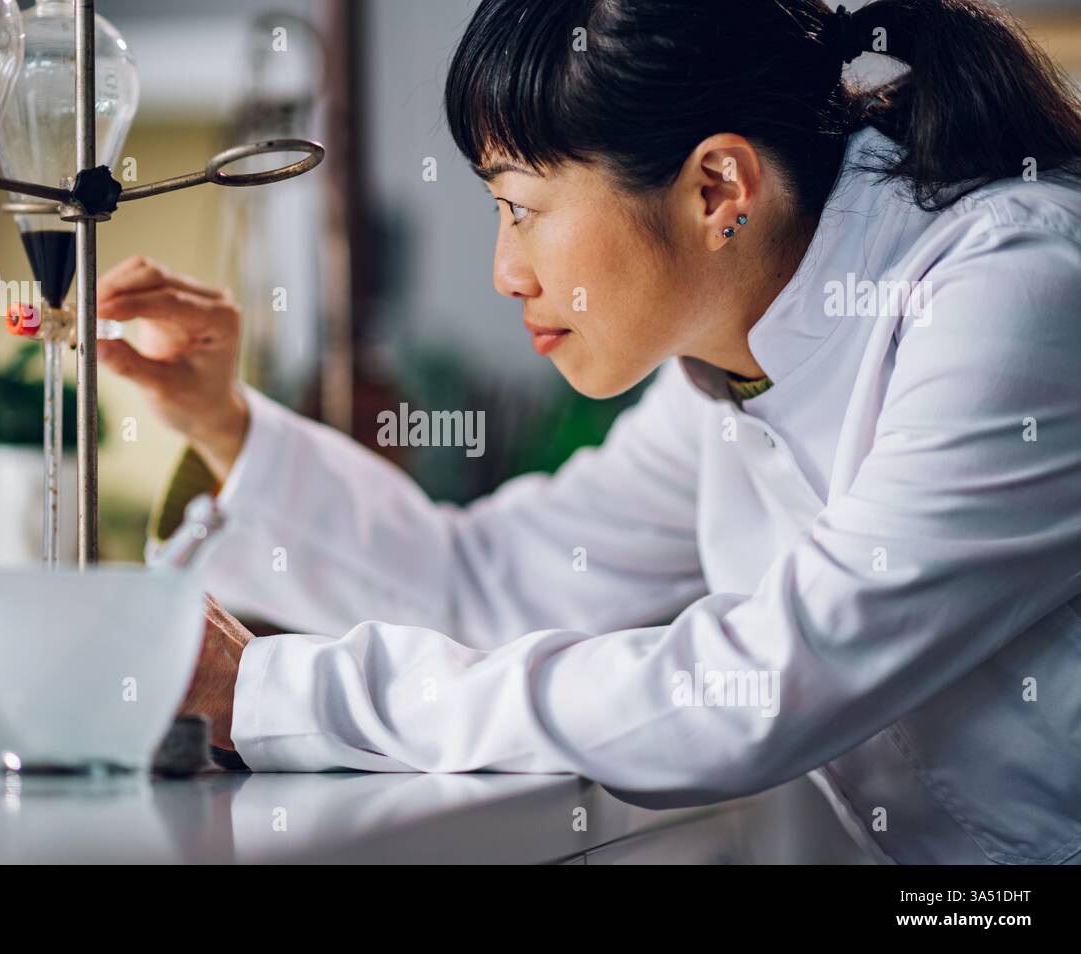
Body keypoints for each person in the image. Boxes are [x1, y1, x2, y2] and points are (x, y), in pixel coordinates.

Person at [96, 0, 1081, 864]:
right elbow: (491, 583)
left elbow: (752, 689)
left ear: (716, 192)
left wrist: (278, 689)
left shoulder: (1015, 290)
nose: (505, 272)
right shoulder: (725, 371)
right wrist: (220, 422)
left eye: (521, 208)